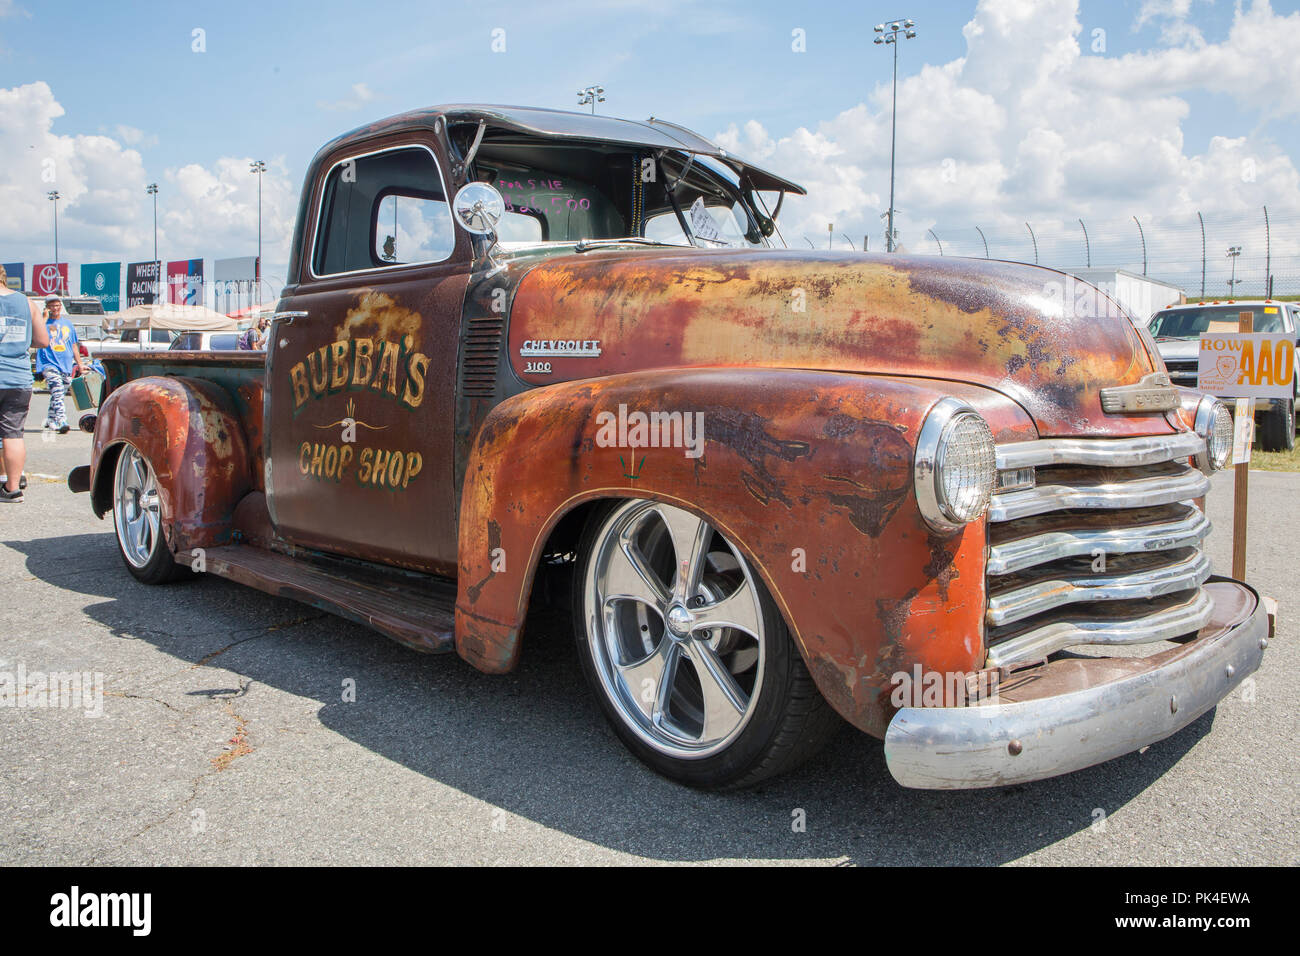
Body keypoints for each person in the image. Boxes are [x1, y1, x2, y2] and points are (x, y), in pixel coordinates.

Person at [0, 266, 51, 502]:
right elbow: (42, 340)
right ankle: (13, 487)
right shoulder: (27, 303)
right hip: (18, 379)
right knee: (13, 433)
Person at [34, 294, 85, 434]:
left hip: (66, 364)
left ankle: (51, 419)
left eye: (57, 305)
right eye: (51, 306)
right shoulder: (43, 323)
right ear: (47, 308)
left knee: (59, 393)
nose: (55, 308)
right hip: (48, 362)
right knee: (57, 388)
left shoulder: (68, 324)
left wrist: (80, 364)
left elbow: (74, 346)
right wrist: (44, 318)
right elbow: (36, 336)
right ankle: (62, 420)